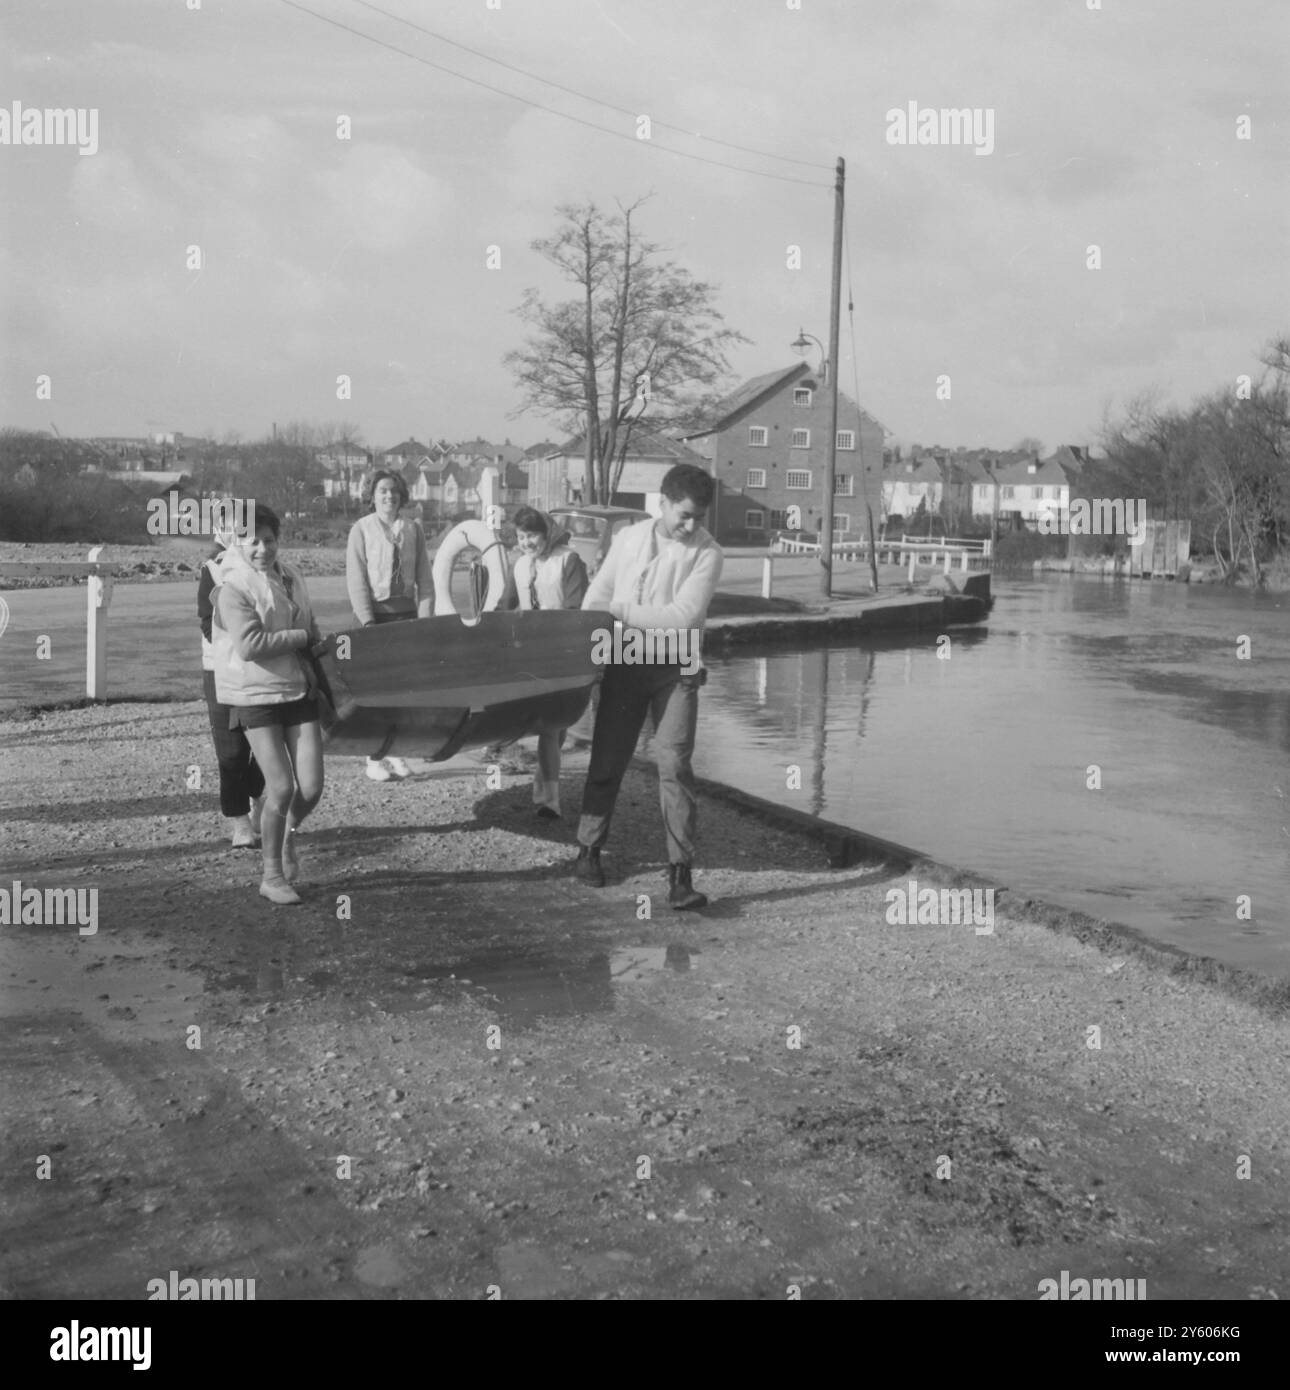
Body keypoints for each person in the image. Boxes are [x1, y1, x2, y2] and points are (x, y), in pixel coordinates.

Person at [572, 464, 723, 909]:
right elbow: (595, 599)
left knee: (674, 763)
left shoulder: (709, 554)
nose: (691, 526)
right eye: (684, 515)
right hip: (625, 661)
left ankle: (680, 874)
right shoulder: (628, 540)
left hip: (676, 667)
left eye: (699, 517)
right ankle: (589, 849)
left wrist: (622, 610)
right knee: (608, 756)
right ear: (662, 503)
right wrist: (594, 651)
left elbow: (681, 617)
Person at [213, 504, 325, 906]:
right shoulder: (230, 587)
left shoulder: (292, 576)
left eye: (270, 539)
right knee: (279, 787)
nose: (263, 548)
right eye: (252, 540)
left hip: (298, 690)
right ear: (238, 542)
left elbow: (311, 627)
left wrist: (319, 657)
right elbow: (249, 645)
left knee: (310, 787)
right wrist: (299, 639)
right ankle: (272, 876)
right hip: (255, 695)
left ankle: (284, 832)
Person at [498, 506, 589, 818]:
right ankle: (550, 799)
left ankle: (544, 784)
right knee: (552, 727)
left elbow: (577, 608)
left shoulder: (568, 560)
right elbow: (505, 606)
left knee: (558, 727)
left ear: (545, 533)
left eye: (532, 535)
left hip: (564, 652)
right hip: (532, 655)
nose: (527, 543)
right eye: (522, 537)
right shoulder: (520, 566)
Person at [346, 470, 433, 782]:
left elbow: (425, 580)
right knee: (374, 691)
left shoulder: (413, 529)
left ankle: (396, 752)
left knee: (402, 691)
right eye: (382, 490)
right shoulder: (361, 529)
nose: (389, 496)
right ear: (372, 495)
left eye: (394, 491)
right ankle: (374, 758)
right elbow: (356, 580)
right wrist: (368, 622)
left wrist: (424, 622)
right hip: (373, 618)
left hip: (405, 616)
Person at [197, 525, 264, 848]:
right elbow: (206, 621)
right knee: (232, 751)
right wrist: (238, 648)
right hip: (220, 670)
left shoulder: (266, 566)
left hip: (263, 667)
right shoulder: (212, 569)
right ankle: (240, 823)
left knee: (266, 745)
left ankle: (259, 796)